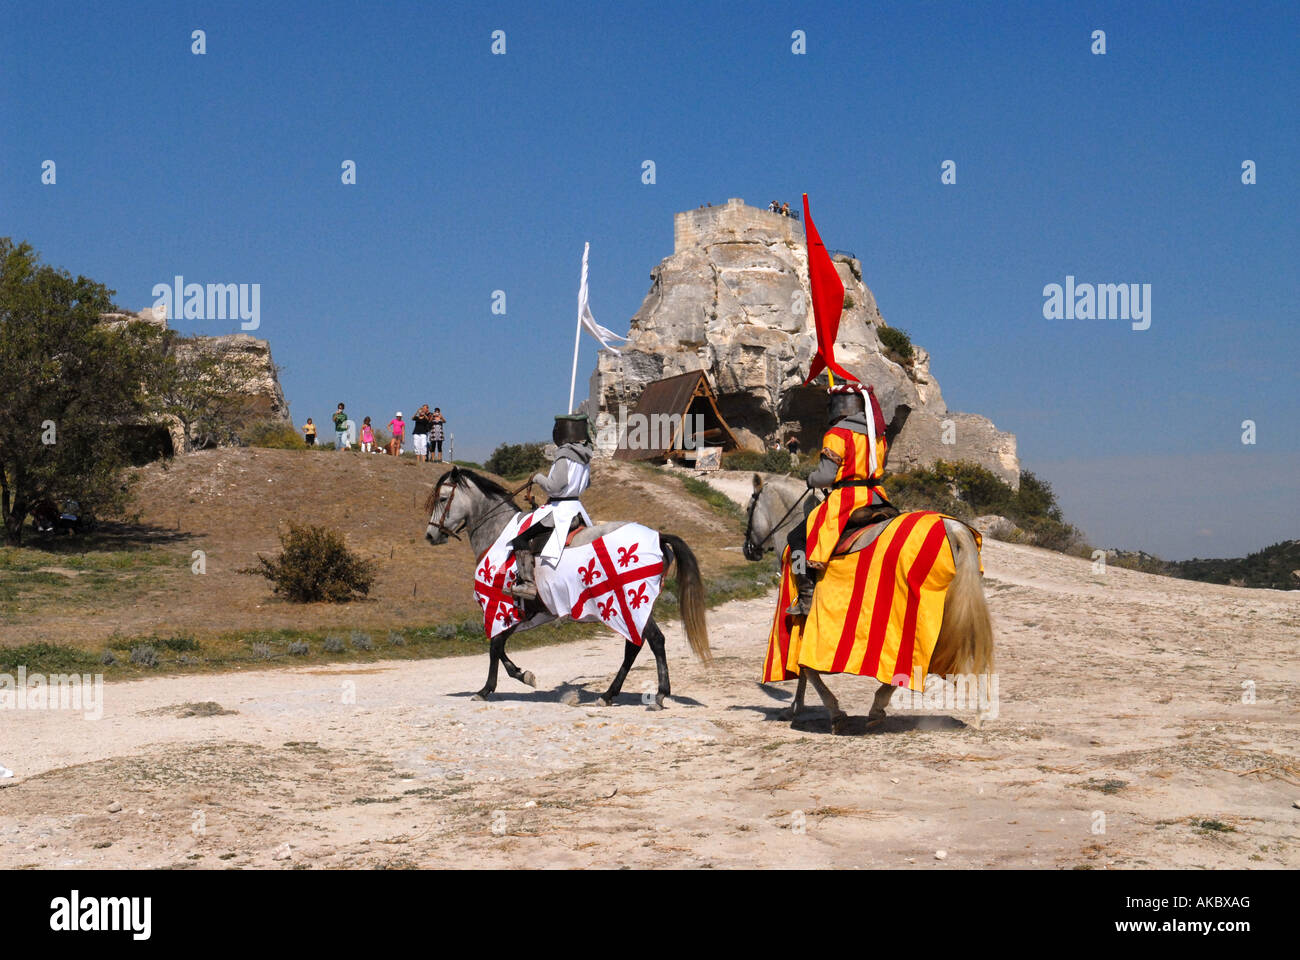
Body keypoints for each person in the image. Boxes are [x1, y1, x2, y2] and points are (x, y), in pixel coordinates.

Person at [785, 382, 897, 617]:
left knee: (796, 537)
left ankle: (805, 596)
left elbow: (826, 476)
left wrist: (811, 478)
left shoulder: (837, 434)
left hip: (848, 499)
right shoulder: (878, 435)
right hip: (877, 496)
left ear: (839, 407)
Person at [509, 415, 594, 600]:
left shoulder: (564, 453)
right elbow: (586, 484)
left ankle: (528, 584)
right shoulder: (585, 455)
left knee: (520, 539)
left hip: (561, 511)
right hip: (577, 509)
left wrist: (538, 477)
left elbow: (555, 486)